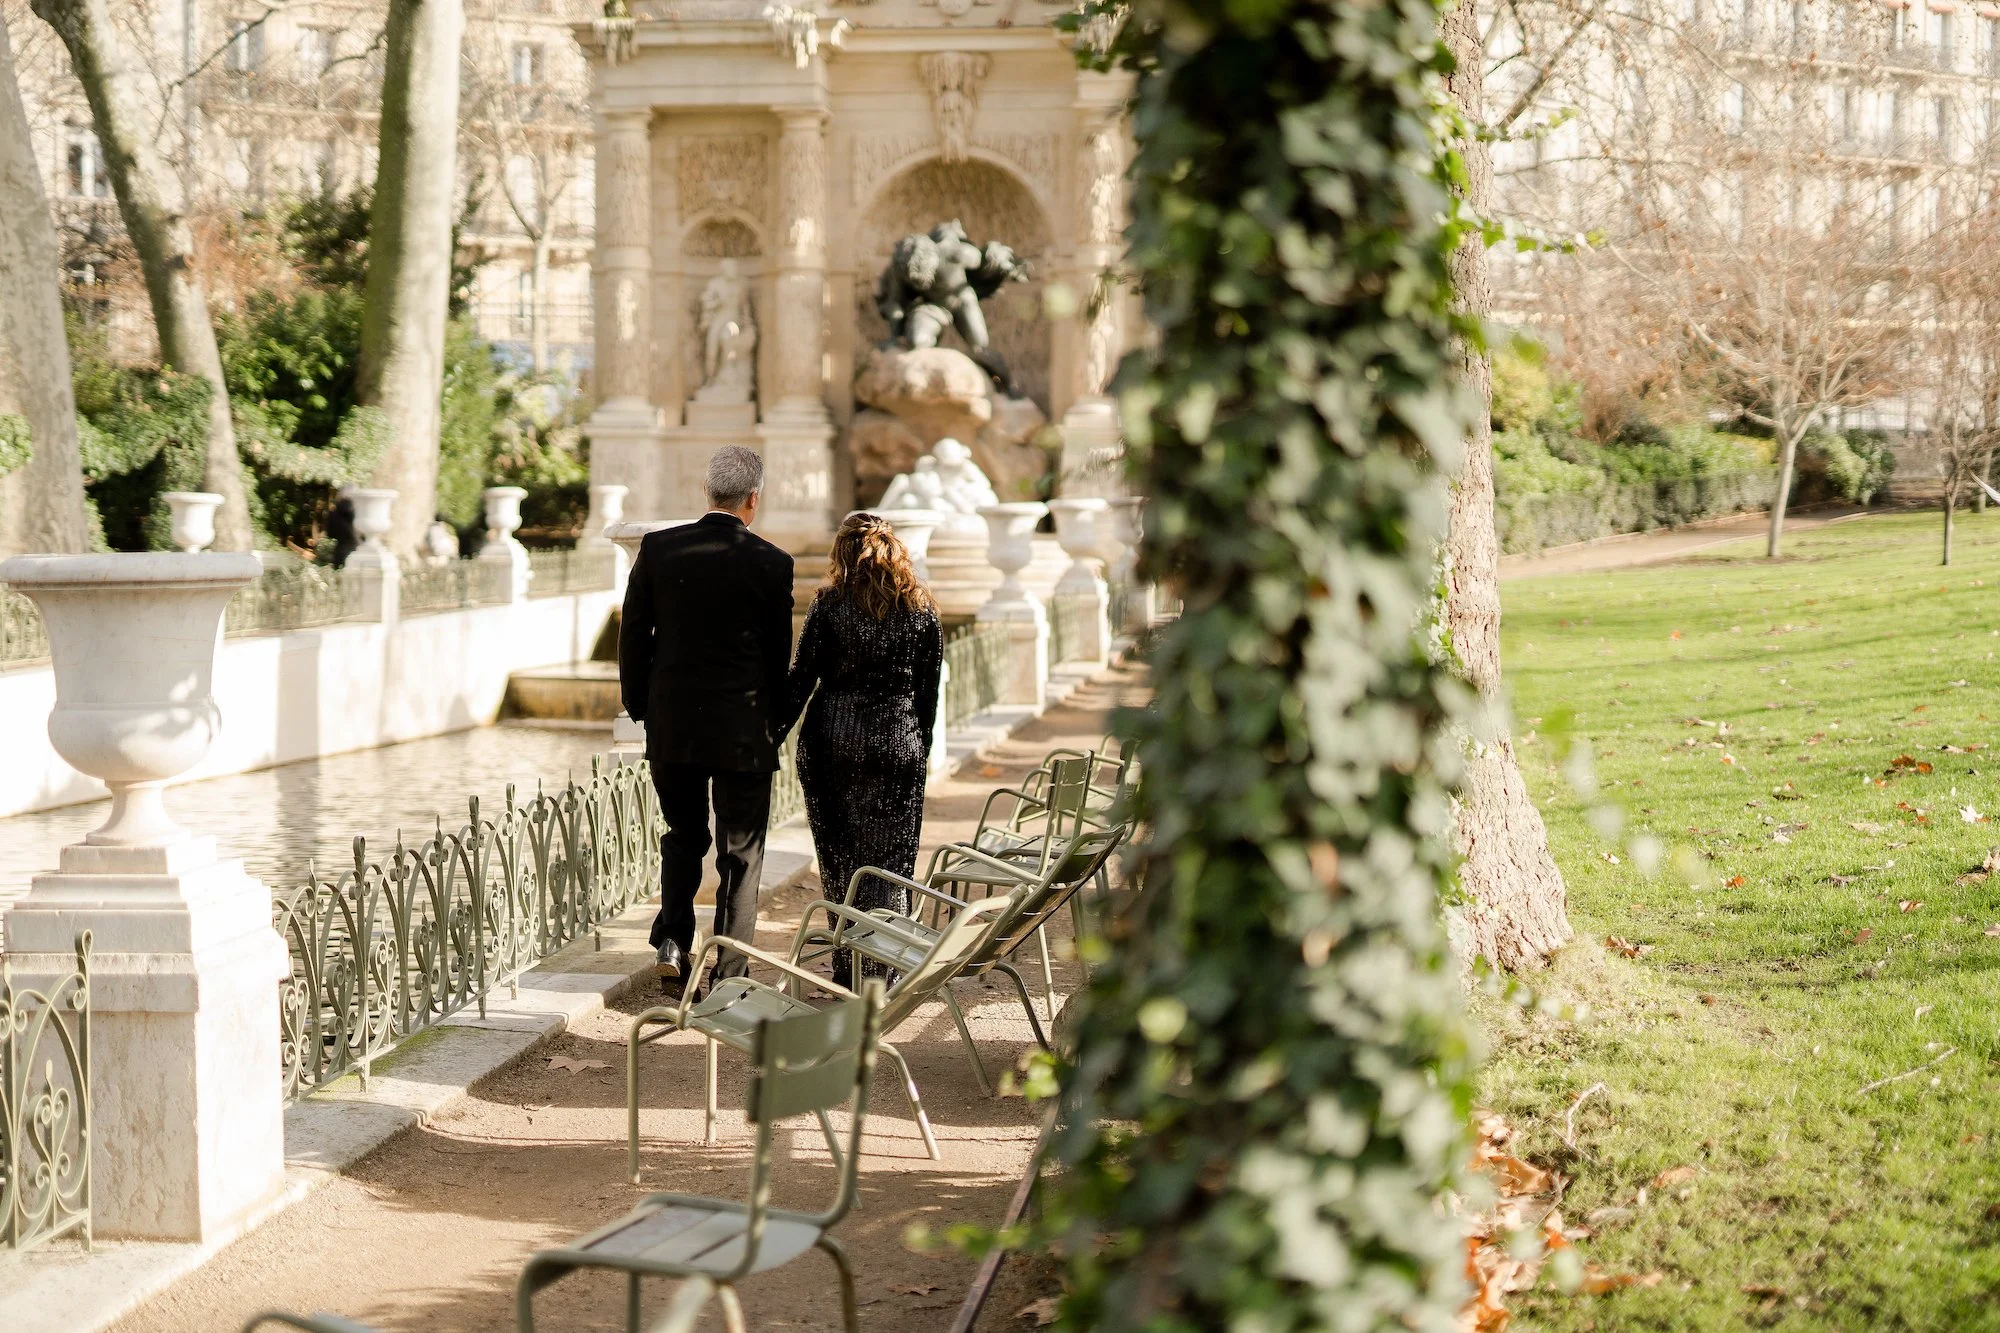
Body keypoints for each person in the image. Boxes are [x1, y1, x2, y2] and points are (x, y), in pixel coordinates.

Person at [619, 446, 796, 996]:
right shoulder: (772, 563)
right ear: (753, 500)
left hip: (674, 724)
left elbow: (633, 637)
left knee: (684, 835)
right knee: (740, 852)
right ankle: (729, 975)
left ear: (707, 491)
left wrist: (642, 708)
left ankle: (673, 942)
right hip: (744, 729)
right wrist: (773, 726)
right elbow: (778, 658)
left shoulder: (659, 550)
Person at [785, 512, 944, 986]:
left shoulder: (829, 606)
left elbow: (800, 682)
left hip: (831, 741)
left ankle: (849, 968)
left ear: (842, 554)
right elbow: (927, 695)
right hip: (897, 742)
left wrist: (766, 737)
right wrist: (918, 748)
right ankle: (884, 969)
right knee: (891, 859)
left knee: (840, 858)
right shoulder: (921, 610)